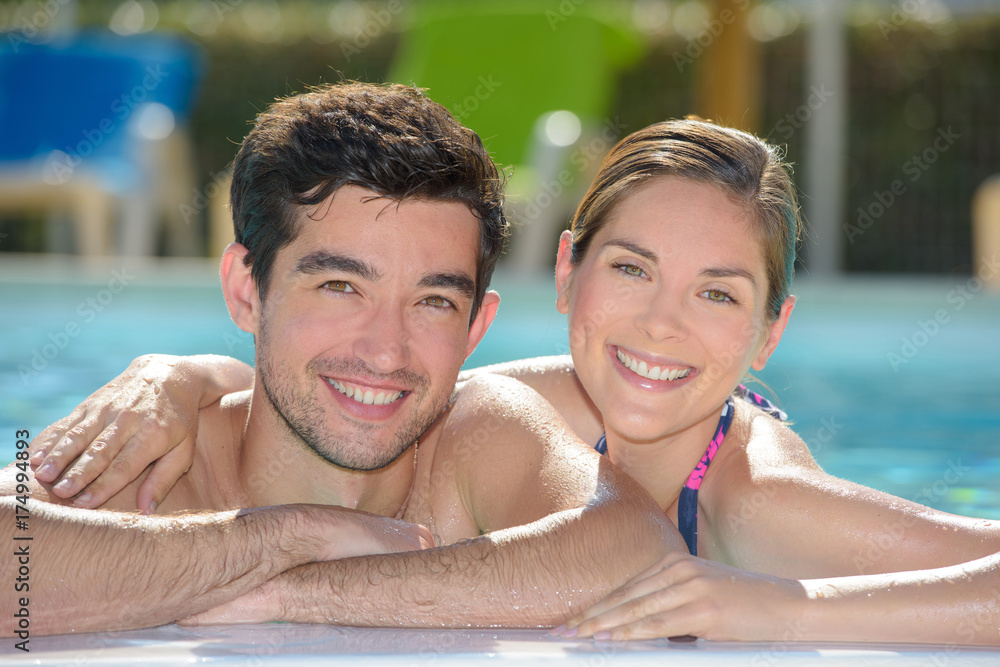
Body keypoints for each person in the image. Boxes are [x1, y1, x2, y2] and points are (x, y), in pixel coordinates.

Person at [27, 118, 1000, 644]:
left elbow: (624, 538)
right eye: (632, 270)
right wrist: (181, 373)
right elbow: (345, 376)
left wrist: (793, 611)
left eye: (716, 292)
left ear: (769, 331)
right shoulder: (489, 390)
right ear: (568, 274)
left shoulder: (751, 488)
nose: (661, 323)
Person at [0, 82, 681, 638]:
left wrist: (309, 590)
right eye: (339, 287)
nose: (386, 351)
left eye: (434, 301)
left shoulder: (478, 436)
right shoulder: (156, 459)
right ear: (247, 291)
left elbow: (640, 546)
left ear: (478, 326)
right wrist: (295, 533)